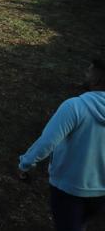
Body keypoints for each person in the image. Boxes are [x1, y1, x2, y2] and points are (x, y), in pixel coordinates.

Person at [19, 59, 105, 230]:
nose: (85, 74)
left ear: (97, 80)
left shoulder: (74, 106)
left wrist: (25, 164)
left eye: (89, 71)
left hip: (68, 189)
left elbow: (47, 142)